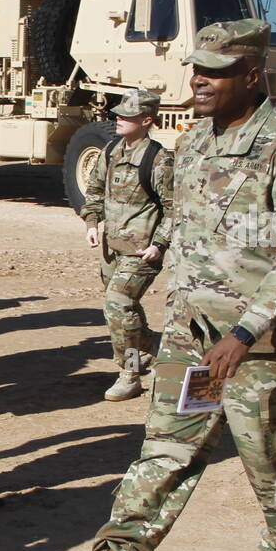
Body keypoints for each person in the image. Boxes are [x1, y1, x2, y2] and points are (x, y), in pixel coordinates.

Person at [37, 20, 276, 551]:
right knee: (168, 447)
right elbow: (186, 230)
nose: (199, 80)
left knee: (271, 455)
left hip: (265, 344)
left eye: (216, 71)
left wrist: (244, 333)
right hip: (194, 337)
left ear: (252, 76)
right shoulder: (194, 144)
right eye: (196, 68)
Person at [79, 88, 174, 401]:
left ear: (146, 120)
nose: (118, 118)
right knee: (123, 310)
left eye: (127, 115)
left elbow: (176, 209)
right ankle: (154, 347)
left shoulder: (158, 159)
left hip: (142, 251)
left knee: (117, 304)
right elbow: (93, 192)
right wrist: (92, 224)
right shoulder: (110, 151)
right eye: (118, 114)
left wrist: (159, 244)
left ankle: (129, 372)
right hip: (111, 248)